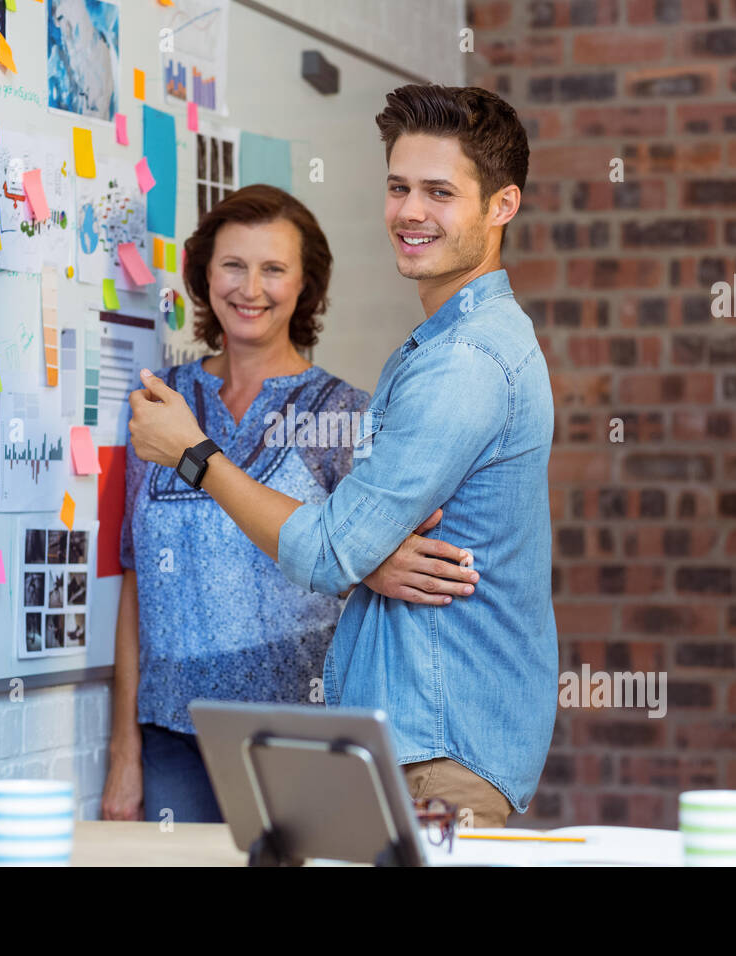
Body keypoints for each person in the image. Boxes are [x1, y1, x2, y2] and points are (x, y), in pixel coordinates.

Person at [128, 85, 557, 829]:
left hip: (439, 751)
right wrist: (366, 555)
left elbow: (329, 551)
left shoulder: (464, 362)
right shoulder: (442, 347)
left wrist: (195, 456)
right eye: (398, 187)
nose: (410, 212)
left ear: (502, 206)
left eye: (439, 192)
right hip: (404, 742)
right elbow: (350, 542)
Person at [102, 183, 480, 824]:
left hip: (301, 739)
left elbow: (369, 566)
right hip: (170, 738)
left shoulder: (346, 415)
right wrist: (123, 752)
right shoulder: (160, 404)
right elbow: (135, 583)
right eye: (233, 265)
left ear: (306, 285)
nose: (250, 288)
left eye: (273, 269)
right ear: (205, 274)